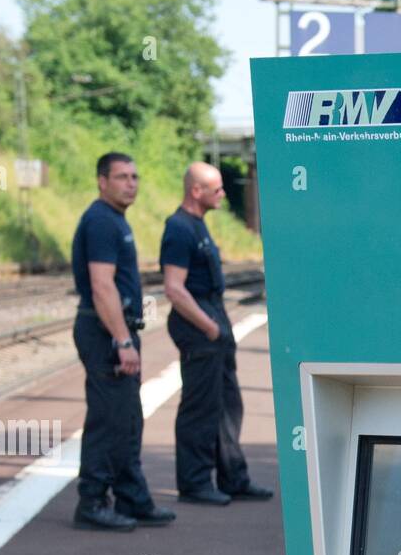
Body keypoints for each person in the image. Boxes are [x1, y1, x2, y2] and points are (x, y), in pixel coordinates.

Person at [71, 152, 176, 531]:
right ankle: (92, 502)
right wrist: (122, 341)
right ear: (102, 182)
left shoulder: (114, 219)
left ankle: (132, 497)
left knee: (127, 418)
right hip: (105, 333)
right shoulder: (101, 221)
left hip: (116, 330)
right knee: (108, 419)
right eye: (121, 177)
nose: (130, 183)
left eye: (134, 177)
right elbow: (102, 285)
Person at [160, 162, 273, 505]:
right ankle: (195, 483)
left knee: (227, 405)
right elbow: (174, 288)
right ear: (196, 191)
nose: (223, 194)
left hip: (214, 321)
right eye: (217, 188)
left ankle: (233, 478)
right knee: (201, 407)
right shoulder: (179, 228)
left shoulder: (198, 225)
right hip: (200, 327)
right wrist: (209, 327)